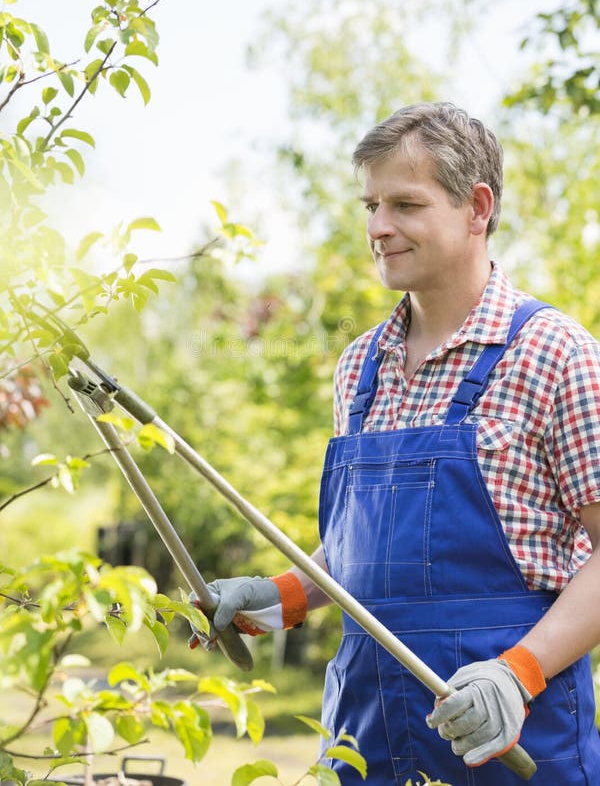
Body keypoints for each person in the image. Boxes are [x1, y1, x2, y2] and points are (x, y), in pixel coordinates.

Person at [191, 103, 600, 784]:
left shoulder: (557, 355)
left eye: (405, 204)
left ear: (476, 207)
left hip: (510, 742)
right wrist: (286, 595)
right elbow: (364, 548)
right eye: (371, 205)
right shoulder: (360, 366)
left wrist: (516, 674)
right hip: (366, 734)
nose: (379, 228)